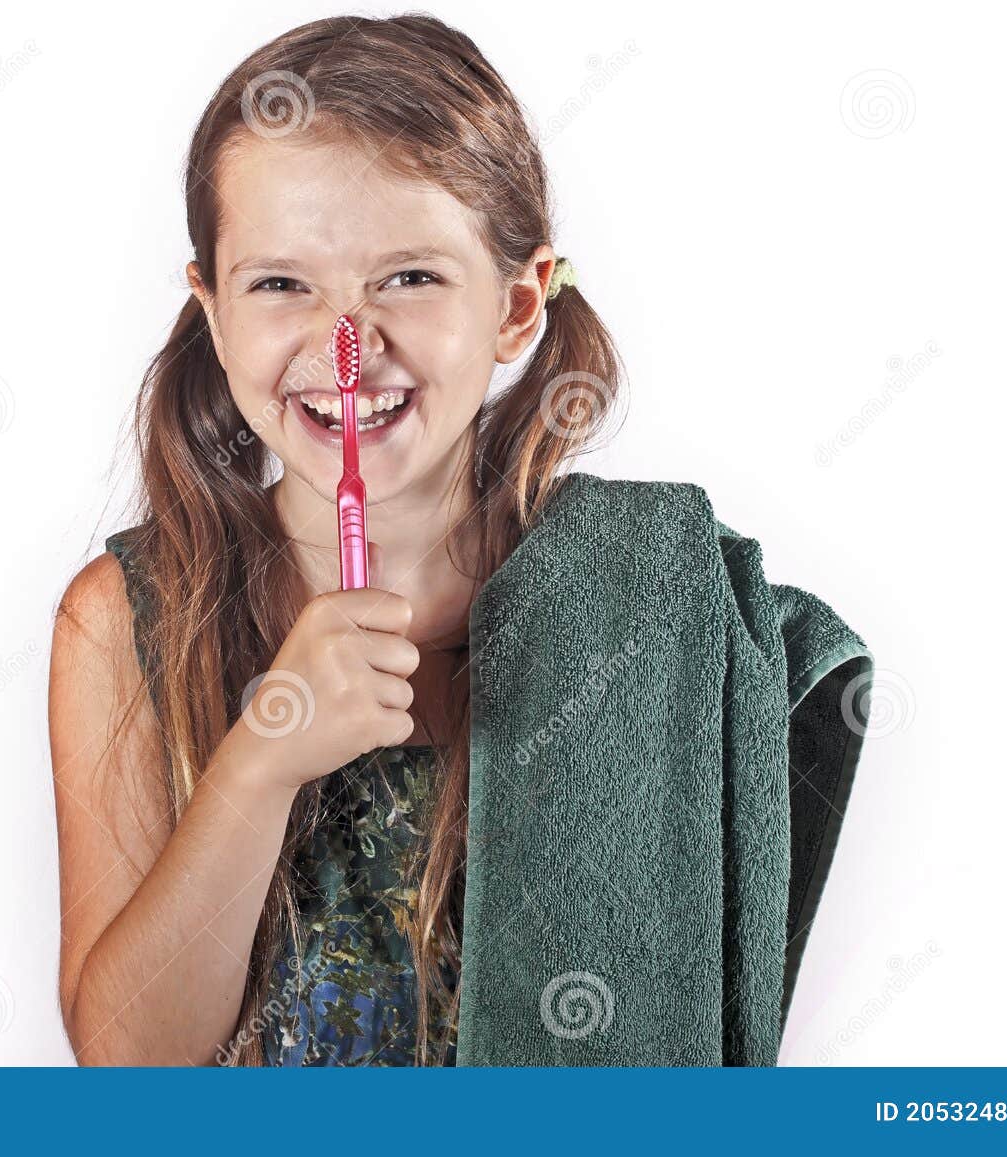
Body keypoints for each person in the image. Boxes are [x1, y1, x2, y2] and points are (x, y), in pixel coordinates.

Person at [49, 13, 625, 1066]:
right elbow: (129, 1064)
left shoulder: (640, 603)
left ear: (517, 302)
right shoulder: (123, 618)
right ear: (214, 312)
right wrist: (261, 761)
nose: (344, 347)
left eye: (409, 276)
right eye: (280, 283)